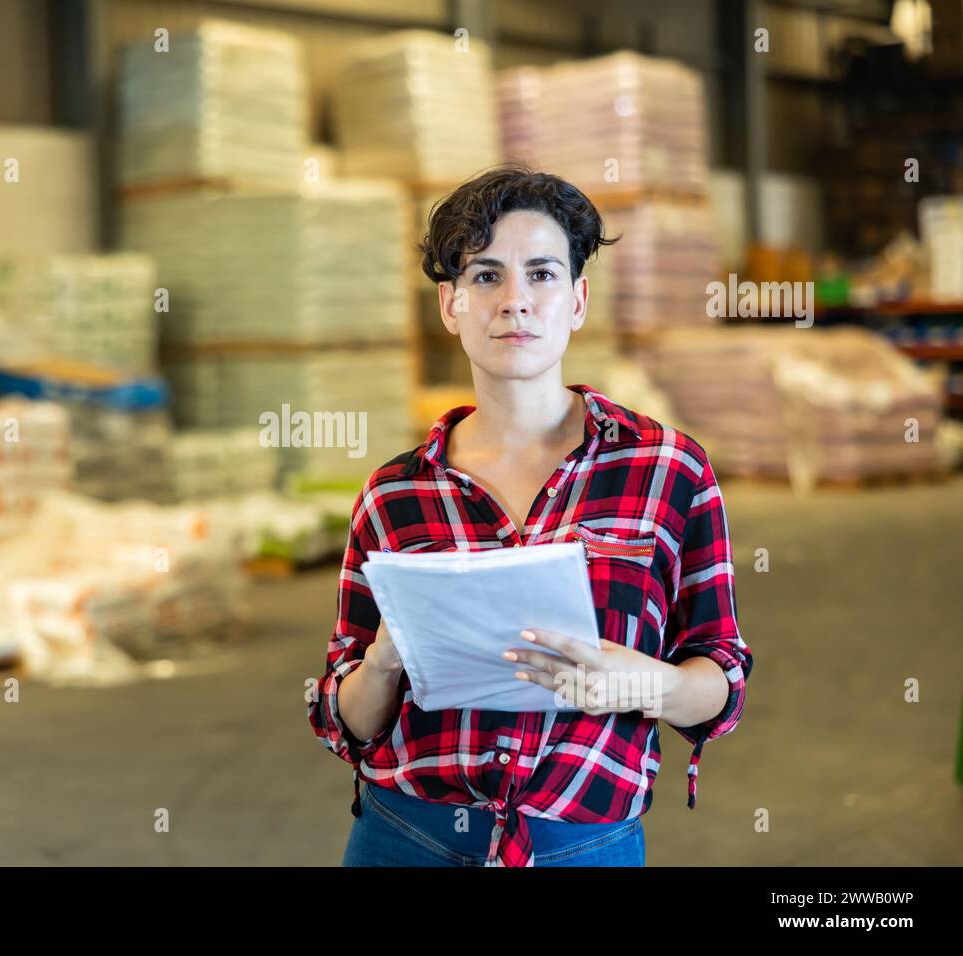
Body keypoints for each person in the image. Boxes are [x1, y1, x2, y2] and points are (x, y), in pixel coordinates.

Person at [307, 164, 754, 867]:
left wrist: (644, 682)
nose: (516, 301)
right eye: (485, 276)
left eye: (541, 274)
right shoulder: (393, 495)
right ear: (450, 306)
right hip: (407, 838)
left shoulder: (668, 471)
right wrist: (387, 659)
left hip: (584, 844)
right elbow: (345, 719)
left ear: (577, 300)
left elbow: (720, 685)